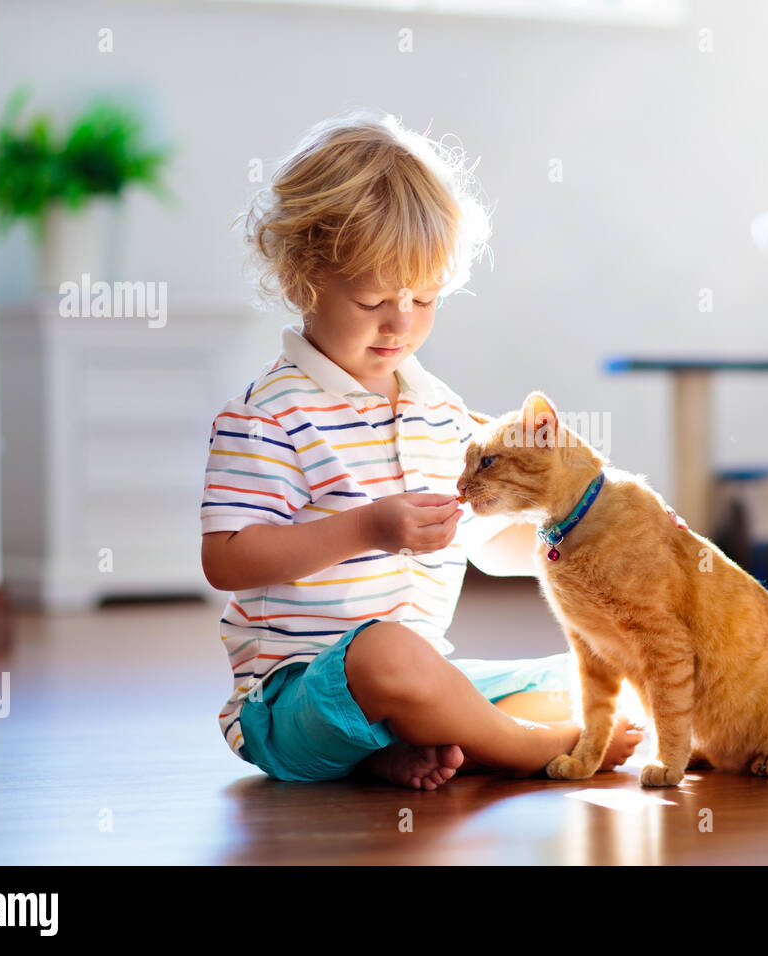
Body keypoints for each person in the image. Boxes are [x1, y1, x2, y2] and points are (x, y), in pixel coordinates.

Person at [200, 108, 654, 790]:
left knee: (589, 671)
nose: (400, 323)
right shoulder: (269, 414)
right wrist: (367, 527)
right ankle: (522, 748)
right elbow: (226, 558)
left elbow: (480, 540)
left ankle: (409, 747)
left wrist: (569, 545)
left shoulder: (438, 412)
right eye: (375, 299)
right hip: (294, 702)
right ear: (305, 280)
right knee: (387, 655)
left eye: (423, 298)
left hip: (419, 682)